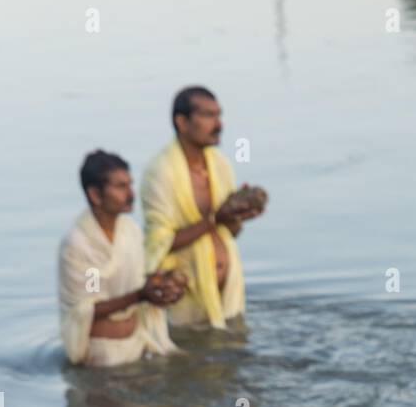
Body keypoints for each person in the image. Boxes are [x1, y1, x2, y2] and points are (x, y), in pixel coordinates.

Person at [140, 86, 268, 330]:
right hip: (183, 299)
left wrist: (240, 215)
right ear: (182, 122)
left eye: (218, 115)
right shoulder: (160, 173)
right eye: (208, 116)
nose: (219, 125)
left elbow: (229, 233)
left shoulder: (220, 165)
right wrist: (215, 218)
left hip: (228, 294)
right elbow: (159, 243)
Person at [57, 150, 186, 367]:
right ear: (95, 195)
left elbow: (136, 280)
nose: (131, 194)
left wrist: (162, 285)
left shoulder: (130, 231)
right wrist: (140, 296)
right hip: (102, 356)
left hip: (139, 343)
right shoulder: (80, 244)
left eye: (129, 184)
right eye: (120, 187)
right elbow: (88, 308)